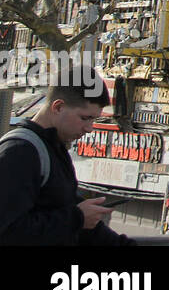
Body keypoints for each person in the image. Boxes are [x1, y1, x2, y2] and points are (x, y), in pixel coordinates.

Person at [0, 79, 135, 245]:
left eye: (94, 120)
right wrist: (77, 219)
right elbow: (8, 232)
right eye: (85, 118)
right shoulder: (20, 151)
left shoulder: (53, 149)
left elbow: (77, 220)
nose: (89, 128)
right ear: (58, 107)